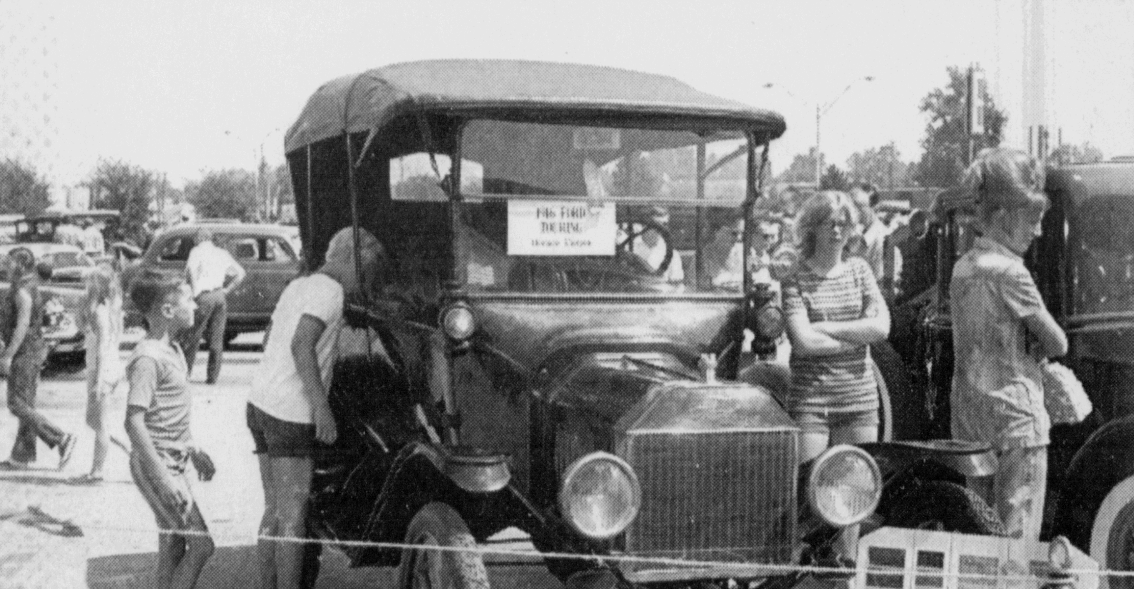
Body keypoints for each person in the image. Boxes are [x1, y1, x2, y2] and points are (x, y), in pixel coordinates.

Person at [247, 227, 383, 589]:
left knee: (274, 509)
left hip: (261, 402)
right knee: (293, 516)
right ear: (352, 259)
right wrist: (322, 408)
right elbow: (301, 345)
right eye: (365, 274)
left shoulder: (299, 285)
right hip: (291, 413)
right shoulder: (330, 291)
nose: (362, 285)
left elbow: (272, 339)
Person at [950, 148, 1066, 542]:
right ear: (1003, 217)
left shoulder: (963, 267)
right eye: (1032, 220)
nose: (1038, 231)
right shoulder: (1011, 273)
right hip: (1016, 420)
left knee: (979, 540)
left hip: (971, 418)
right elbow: (1058, 342)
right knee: (1017, 544)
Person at [781, 191, 890, 562]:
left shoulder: (860, 270)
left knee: (853, 499)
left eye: (844, 223)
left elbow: (881, 328)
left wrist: (827, 327)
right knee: (809, 500)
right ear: (812, 228)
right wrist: (856, 337)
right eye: (829, 223)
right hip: (811, 402)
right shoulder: (795, 277)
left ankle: (844, 571)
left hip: (859, 402)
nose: (838, 231)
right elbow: (803, 342)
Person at [125, 268, 216, 588]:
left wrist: (192, 448)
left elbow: (168, 412)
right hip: (157, 464)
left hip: (173, 459)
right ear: (167, 310)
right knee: (201, 546)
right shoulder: (148, 358)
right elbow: (133, 421)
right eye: (188, 300)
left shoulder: (173, 349)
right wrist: (163, 478)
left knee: (174, 542)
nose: (196, 305)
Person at [0, 247, 76, 470]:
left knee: (17, 403)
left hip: (25, 352)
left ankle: (61, 438)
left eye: (9, 262)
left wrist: (8, 355)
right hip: (31, 350)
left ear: (21, 265)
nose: (4, 266)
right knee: (26, 403)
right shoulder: (24, 287)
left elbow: (22, 325)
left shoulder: (23, 292)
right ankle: (21, 456)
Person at [179, 229, 246, 384]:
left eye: (195, 238)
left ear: (201, 238)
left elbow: (190, 272)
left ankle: (185, 373)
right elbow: (240, 273)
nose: (194, 241)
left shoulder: (196, 251)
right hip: (219, 296)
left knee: (193, 335)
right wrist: (227, 290)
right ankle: (212, 376)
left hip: (203, 296)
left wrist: (193, 293)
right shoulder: (222, 253)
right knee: (217, 337)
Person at [77, 263, 125, 482]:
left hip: (102, 370)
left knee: (100, 423)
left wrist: (98, 380)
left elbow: (101, 350)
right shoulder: (109, 309)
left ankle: (97, 470)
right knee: (92, 420)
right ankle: (126, 448)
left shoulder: (100, 313)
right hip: (107, 368)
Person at [629, 206, 684, 284]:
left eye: (664, 224)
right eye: (657, 224)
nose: (662, 229)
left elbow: (677, 285)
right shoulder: (630, 247)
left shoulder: (673, 255)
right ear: (645, 225)